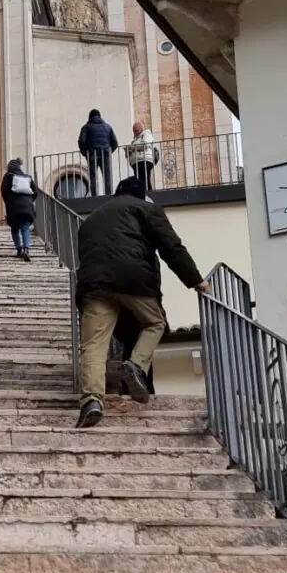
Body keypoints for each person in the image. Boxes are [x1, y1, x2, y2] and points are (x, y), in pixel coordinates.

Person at [74, 175, 209, 428]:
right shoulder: (147, 209)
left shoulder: (90, 220)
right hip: (132, 279)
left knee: (93, 345)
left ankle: (92, 400)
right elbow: (172, 248)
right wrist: (195, 280)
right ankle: (136, 364)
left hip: (94, 285)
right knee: (155, 323)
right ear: (141, 194)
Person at [0, 158, 38, 260]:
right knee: (25, 228)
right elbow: (35, 191)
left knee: (15, 229)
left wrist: (7, 201)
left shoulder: (8, 176)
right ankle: (26, 249)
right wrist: (30, 200)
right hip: (27, 208)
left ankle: (19, 249)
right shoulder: (27, 177)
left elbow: (3, 190)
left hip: (14, 208)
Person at [77, 108, 119, 196]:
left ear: (90, 117)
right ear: (100, 116)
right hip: (105, 154)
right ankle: (108, 194)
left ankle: (94, 195)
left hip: (92, 154)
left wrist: (85, 153)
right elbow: (115, 142)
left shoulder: (86, 127)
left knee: (93, 176)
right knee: (107, 176)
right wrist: (109, 151)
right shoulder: (107, 127)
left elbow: (81, 141)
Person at [126, 120, 160, 193]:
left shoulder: (146, 135)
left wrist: (133, 148)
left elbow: (145, 145)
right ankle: (143, 193)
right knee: (139, 181)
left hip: (144, 160)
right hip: (137, 162)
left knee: (145, 180)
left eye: (136, 130)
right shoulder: (136, 139)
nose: (135, 133)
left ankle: (149, 194)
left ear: (142, 129)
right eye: (134, 131)